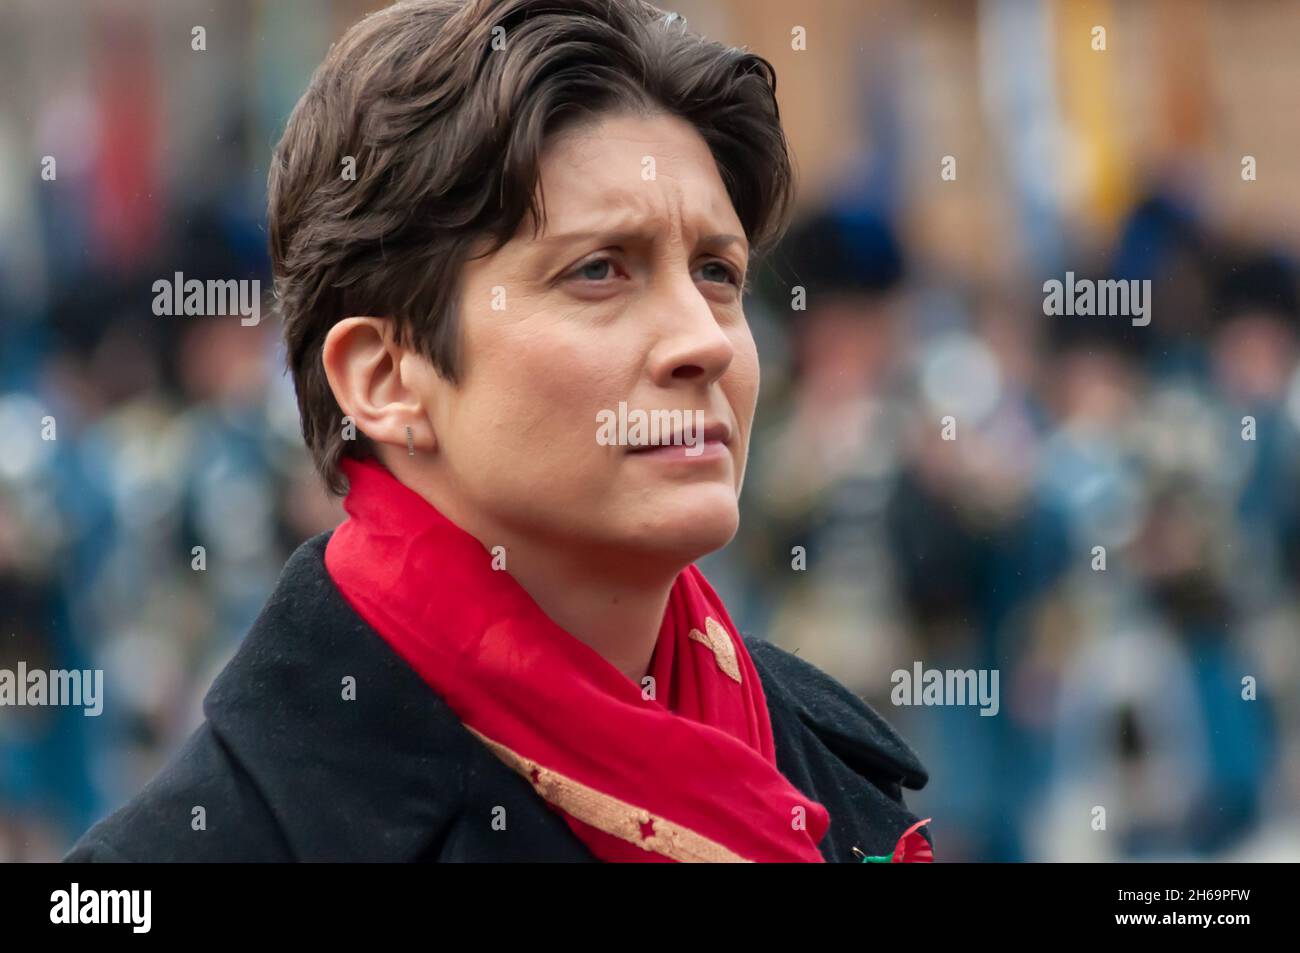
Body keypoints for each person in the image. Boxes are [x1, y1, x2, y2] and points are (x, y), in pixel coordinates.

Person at [64, 0, 930, 863]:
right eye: (599, 271)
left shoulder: (826, 763)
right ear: (386, 378)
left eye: (717, 271)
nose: (705, 340)